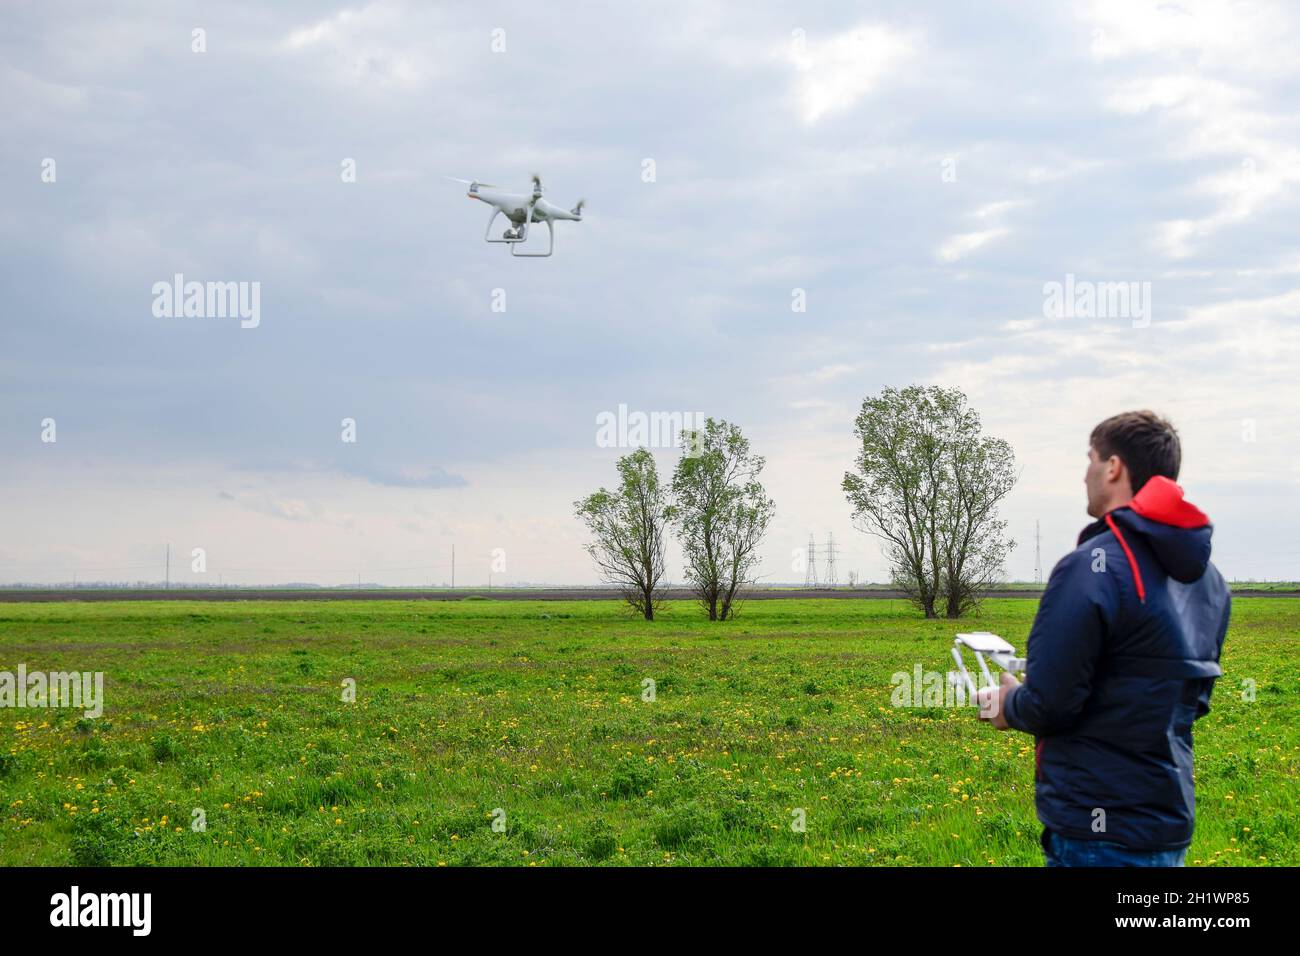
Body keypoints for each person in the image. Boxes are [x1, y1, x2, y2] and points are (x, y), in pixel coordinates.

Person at [977, 411, 1231, 866]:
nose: (1084, 473)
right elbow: (1192, 702)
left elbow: (1050, 705)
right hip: (1167, 827)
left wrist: (1006, 704)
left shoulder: (1089, 566)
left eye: (1090, 459)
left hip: (1097, 835)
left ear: (1113, 468)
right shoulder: (1209, 582)